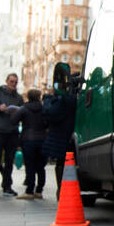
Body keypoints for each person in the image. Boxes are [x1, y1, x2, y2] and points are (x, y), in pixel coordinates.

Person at [41, 65, 77, 199]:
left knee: (61, 163)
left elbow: (50, 114)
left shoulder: (62, 100)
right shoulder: (71, 98)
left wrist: (47, 100)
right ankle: (63, 190)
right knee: (65, 163)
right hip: (67, 134)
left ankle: (62, 191)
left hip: (60, 135)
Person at [13, 88, 48, 199]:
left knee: (30, 166)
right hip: (42, 139)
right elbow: (48, 122)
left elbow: (13, 120)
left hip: (28, 139)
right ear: (39, 97)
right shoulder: (44, 109)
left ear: (28, 97)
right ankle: (39, 190)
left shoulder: (24, 109)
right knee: (41, 167)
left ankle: (29, 191)